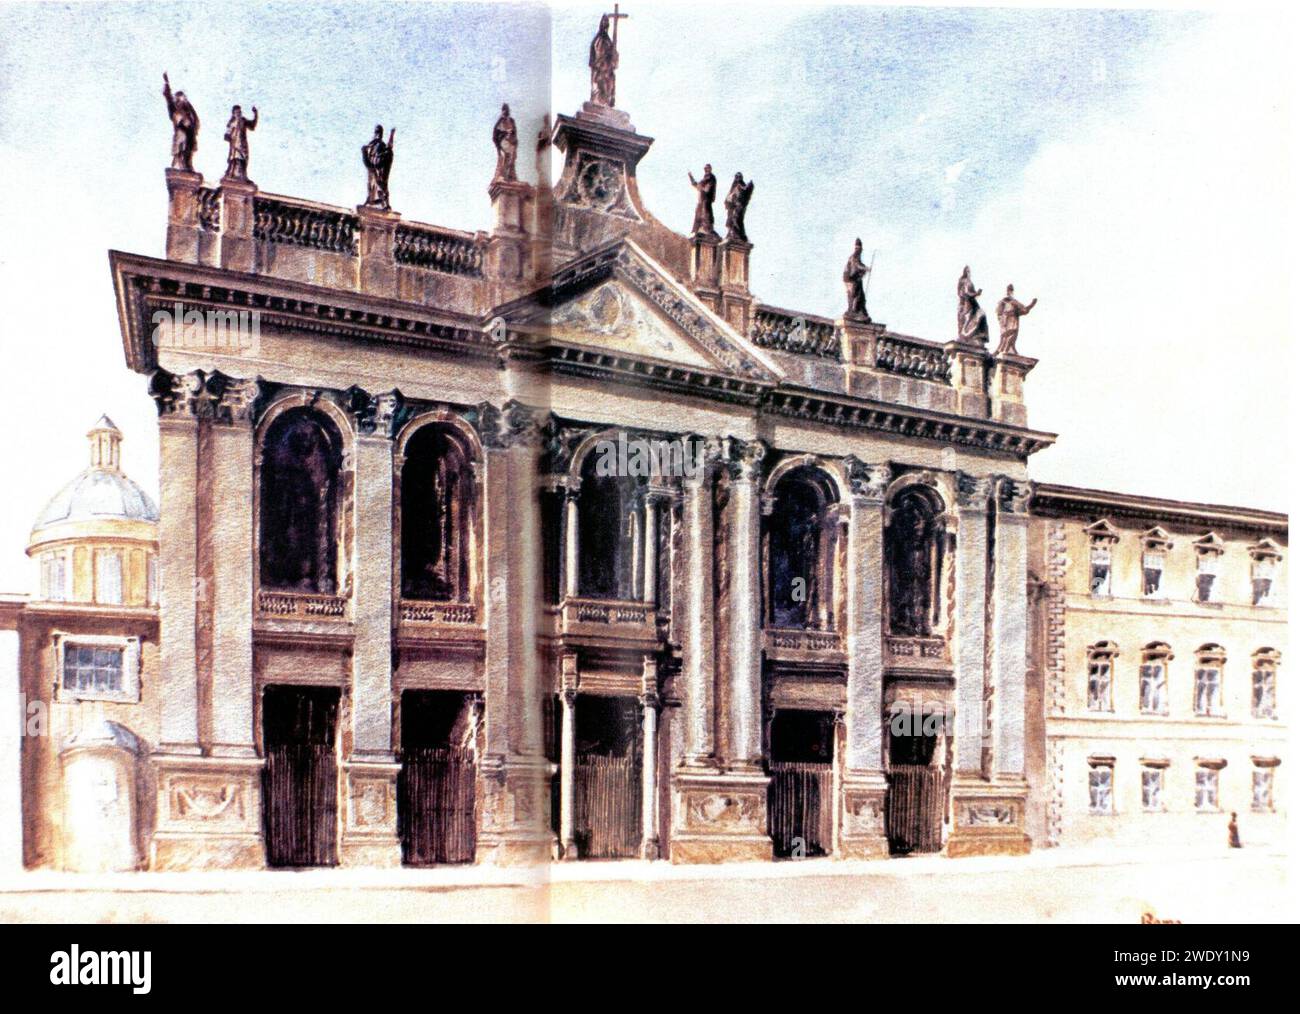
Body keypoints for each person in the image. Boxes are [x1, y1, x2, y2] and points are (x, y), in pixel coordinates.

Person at [162, 73, 199, 171]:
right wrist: (166, 83)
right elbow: (168, 97)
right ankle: (179, 165)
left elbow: (195, 121)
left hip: (189, 133)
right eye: (178, 99)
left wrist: (192, 127)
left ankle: (186, 165)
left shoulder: (189, 111)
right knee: (180, 149)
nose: (180, 101)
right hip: (180, 132)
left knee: (187, 149)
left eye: (181, 98)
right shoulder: (175, 110)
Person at [362, 125, 396, 210]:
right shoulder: (371, 145)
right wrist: (364, 152)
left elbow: (389, 148)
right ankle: (372, 200)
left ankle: (383, 202)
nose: (377, 134)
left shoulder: (381, 145)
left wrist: (392, 134)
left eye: (379, 132)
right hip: (373, 169)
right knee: (372, 185)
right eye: (376, 132)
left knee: (380, 185)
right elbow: (368, 161)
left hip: (379, 169)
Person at [222, 104, 259, 182]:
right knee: (235, 158)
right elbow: (227, 134)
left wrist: (255, 114)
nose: (238, 113)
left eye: (239, 112)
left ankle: (243, 175)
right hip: (234, 144)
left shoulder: (243, 120)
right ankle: (232, 174)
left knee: (243, 157)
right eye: (236, 112)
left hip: (242, 143)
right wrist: (229, 137)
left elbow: (252, 125)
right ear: (234, 113)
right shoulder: (232, 123)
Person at [688, 164, 717, 236]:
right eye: (705, 169)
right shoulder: (706, 178)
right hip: (702, 199)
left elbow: (705, 188)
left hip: (706, 199)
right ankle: (700, 229)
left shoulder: (711, 177)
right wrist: (691, 177)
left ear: (710, 169)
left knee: (706, 214)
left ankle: (707, 229)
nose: (706, 170)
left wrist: (702, 188)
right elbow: (697, 185)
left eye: (707, 168)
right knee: (699, 214)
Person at [492, 103, 517, 182]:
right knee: (505, 157)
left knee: (512, 157)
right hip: (502, 141)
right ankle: (502, 176)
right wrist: (505, 132)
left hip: (511, 142)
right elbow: (495, 134)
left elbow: (514, 132)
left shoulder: (511, 120)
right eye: (504, 110)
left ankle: (509, 175)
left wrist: (512, 135)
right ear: (502, 111)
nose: (505, 112)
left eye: (507, 110)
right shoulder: (500, 120)